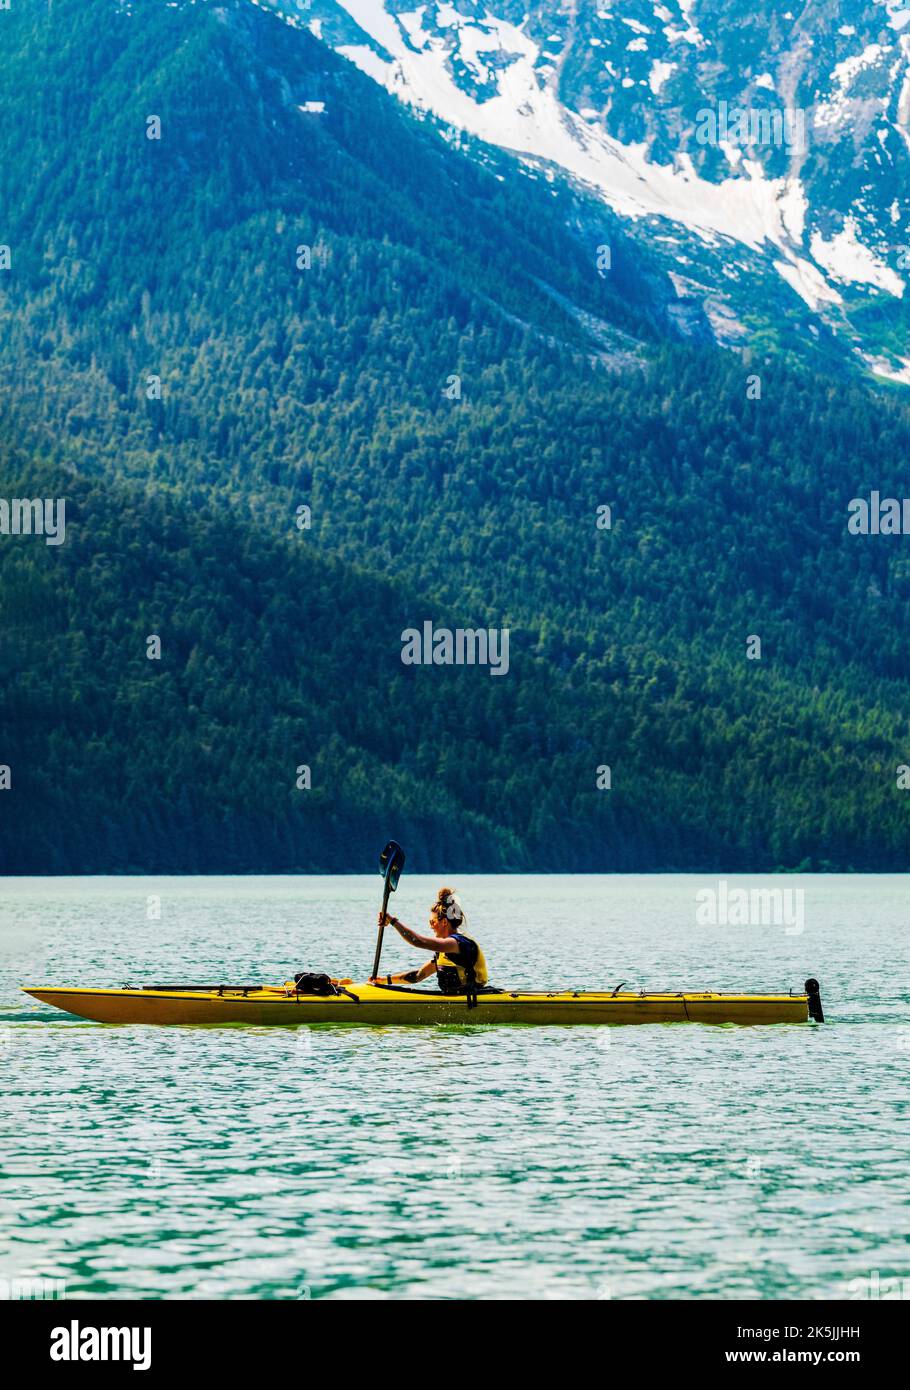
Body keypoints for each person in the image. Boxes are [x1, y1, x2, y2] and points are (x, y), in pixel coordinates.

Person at [371, 886, 489, 997]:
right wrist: (384, 980)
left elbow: (418, 941)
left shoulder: (456, 944)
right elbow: (418, 976)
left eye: (432, 922)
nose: (431, 926)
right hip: (456, 999)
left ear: (444, 922)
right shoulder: (443, 951)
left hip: (474, 999)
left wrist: (393, 921)